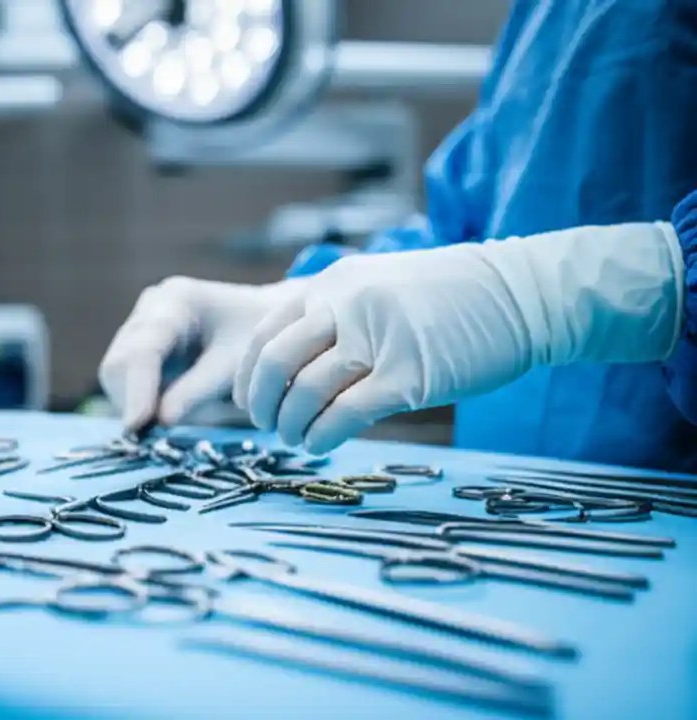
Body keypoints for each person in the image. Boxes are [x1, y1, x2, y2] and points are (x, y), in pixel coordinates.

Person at [98, 0, 697, 472]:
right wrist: (292, 307)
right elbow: (486, 226)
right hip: (507, 516)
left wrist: (593, 292)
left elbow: (514, 282)